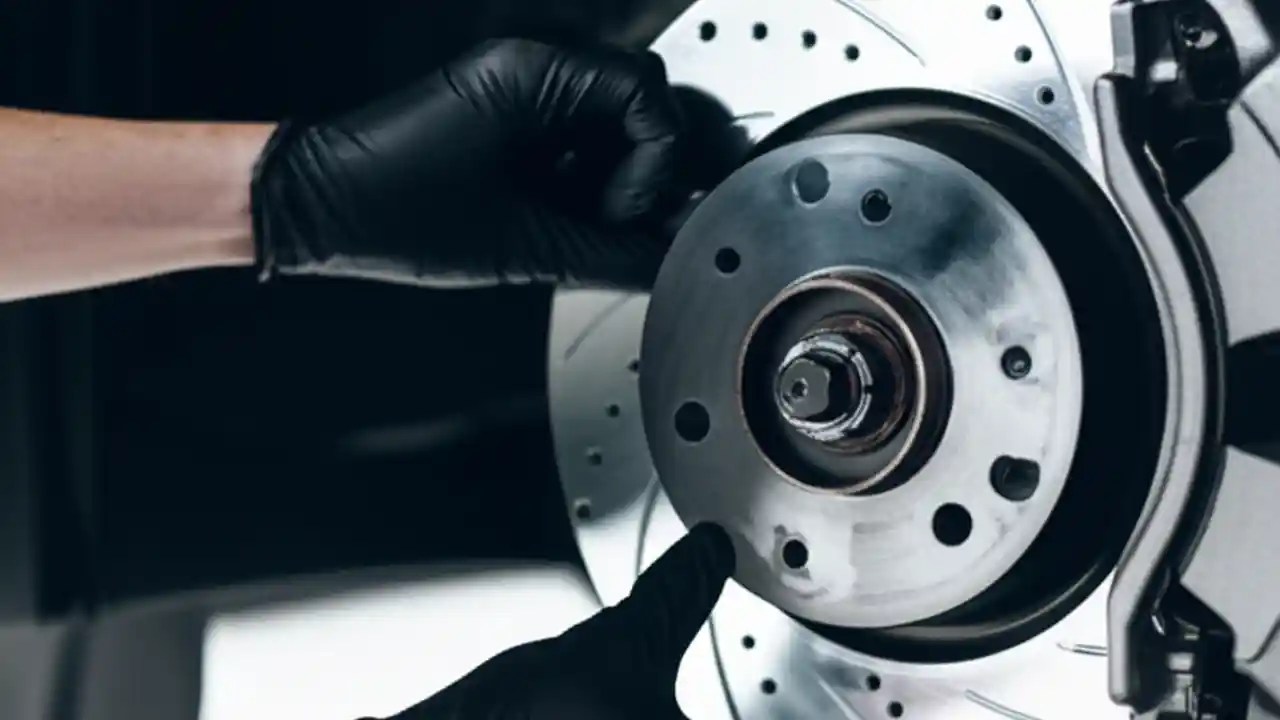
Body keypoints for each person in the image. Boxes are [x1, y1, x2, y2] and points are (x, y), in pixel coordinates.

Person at [0, 38, 735, 718]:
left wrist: (290, 191)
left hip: (99, 84)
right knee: (586, 498)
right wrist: (291, 192)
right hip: (64, 505)